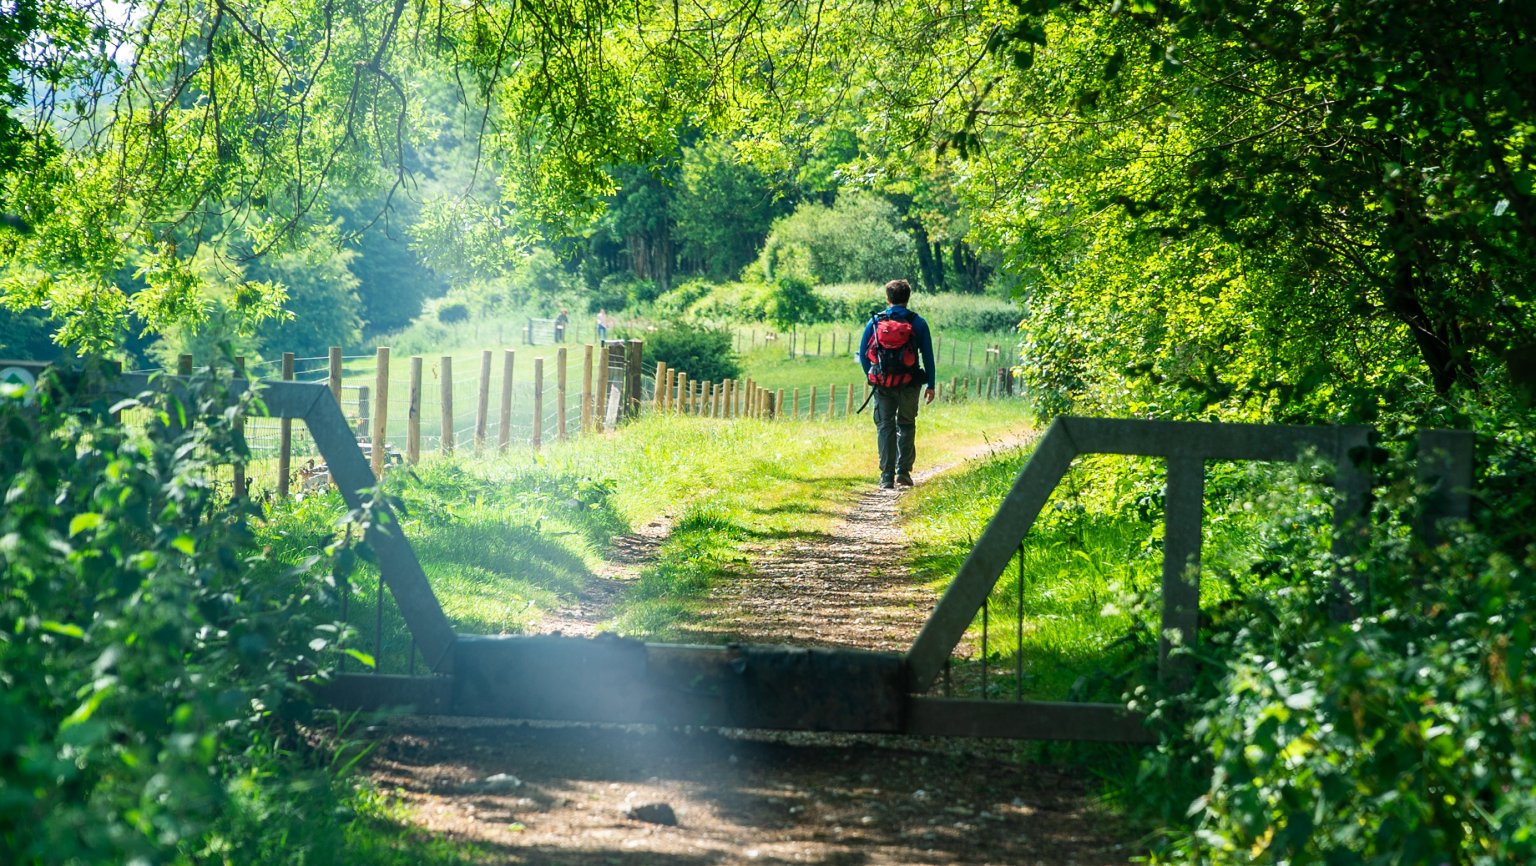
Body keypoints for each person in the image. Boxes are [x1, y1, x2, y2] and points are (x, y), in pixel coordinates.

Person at [857, 279, 935, 489]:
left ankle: (886, 476)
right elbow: (928, 356)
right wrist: (931, 384)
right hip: (910, 383)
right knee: (907, 424)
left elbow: (864, 355)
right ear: (908, 298)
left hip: (883, 385)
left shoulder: (875, 322)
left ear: (888, 298)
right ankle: (903, 472)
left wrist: (872, 376)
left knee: (885, 426)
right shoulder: (918, 323)